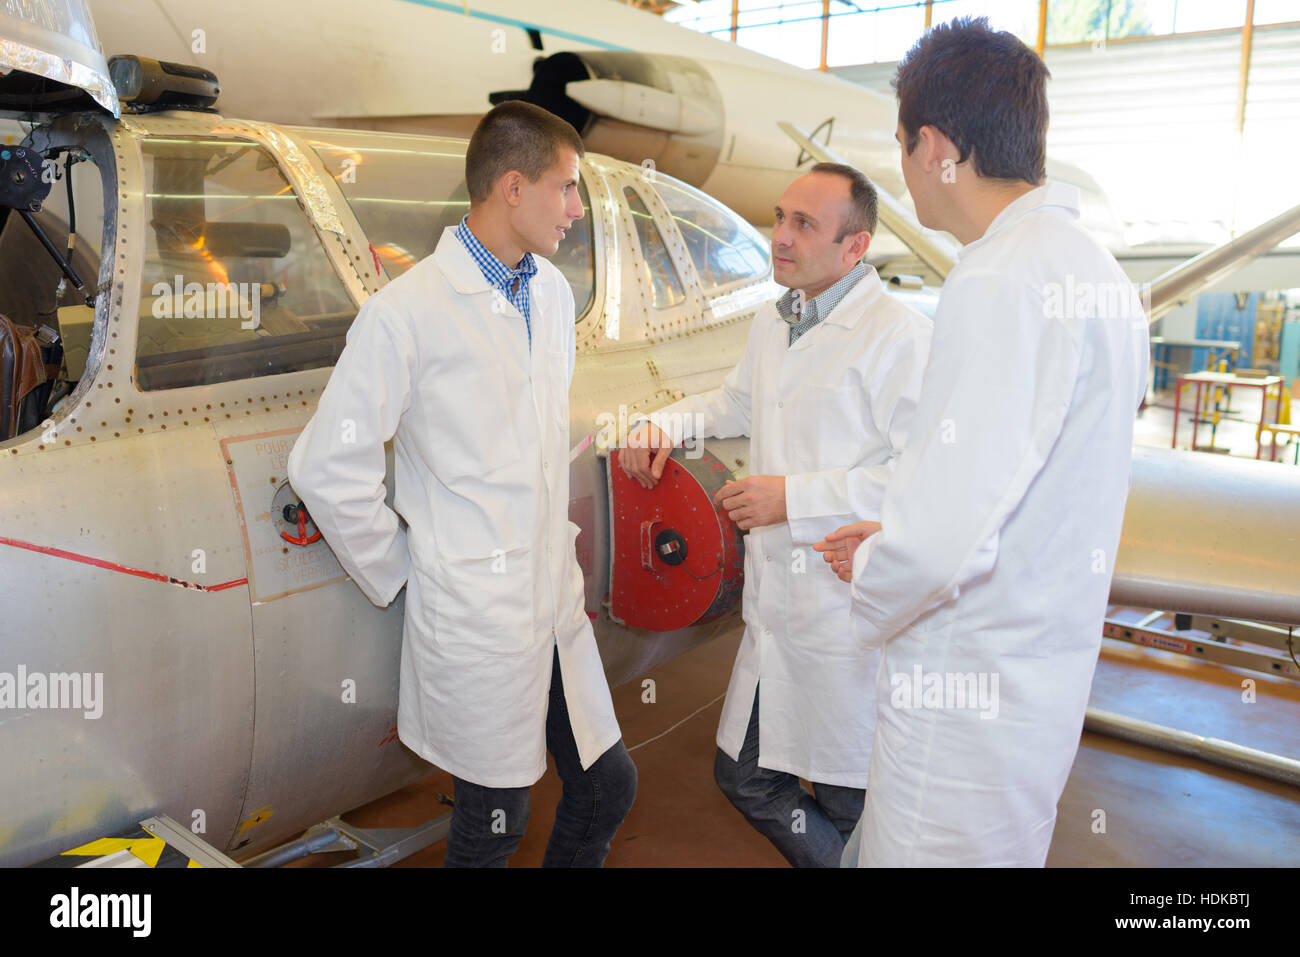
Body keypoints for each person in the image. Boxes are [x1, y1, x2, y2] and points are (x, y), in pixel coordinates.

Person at [815, 17, 1149, 867]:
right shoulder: (1097, 274)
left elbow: (940, 544)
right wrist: (899, 538)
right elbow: (1016, 486)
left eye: (899, 145)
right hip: (1031, 697)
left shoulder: (998, 278)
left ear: (935, 147)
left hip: (958, 723)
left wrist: (878, 564)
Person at [287, 101, 635, 867]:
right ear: (513, 188)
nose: (578, 210)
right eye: (567, 188)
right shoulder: (404, 316)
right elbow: (325, 466)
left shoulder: (546, 292)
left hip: (550, 608)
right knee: (494, 825)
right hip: (478, 621)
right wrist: (406, 570)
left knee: (607, 785)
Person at [621, 164, 932, 866]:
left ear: (856, 249)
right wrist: (663, 425)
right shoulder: (778, 316)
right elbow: (736, 402)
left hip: (847, 610)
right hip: (783, 612)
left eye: (804, 225)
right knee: (747, 774)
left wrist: (793, 499)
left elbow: (920, 480)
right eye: (780, 217)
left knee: (853, 803)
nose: (780, 238)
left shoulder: (900, 339)